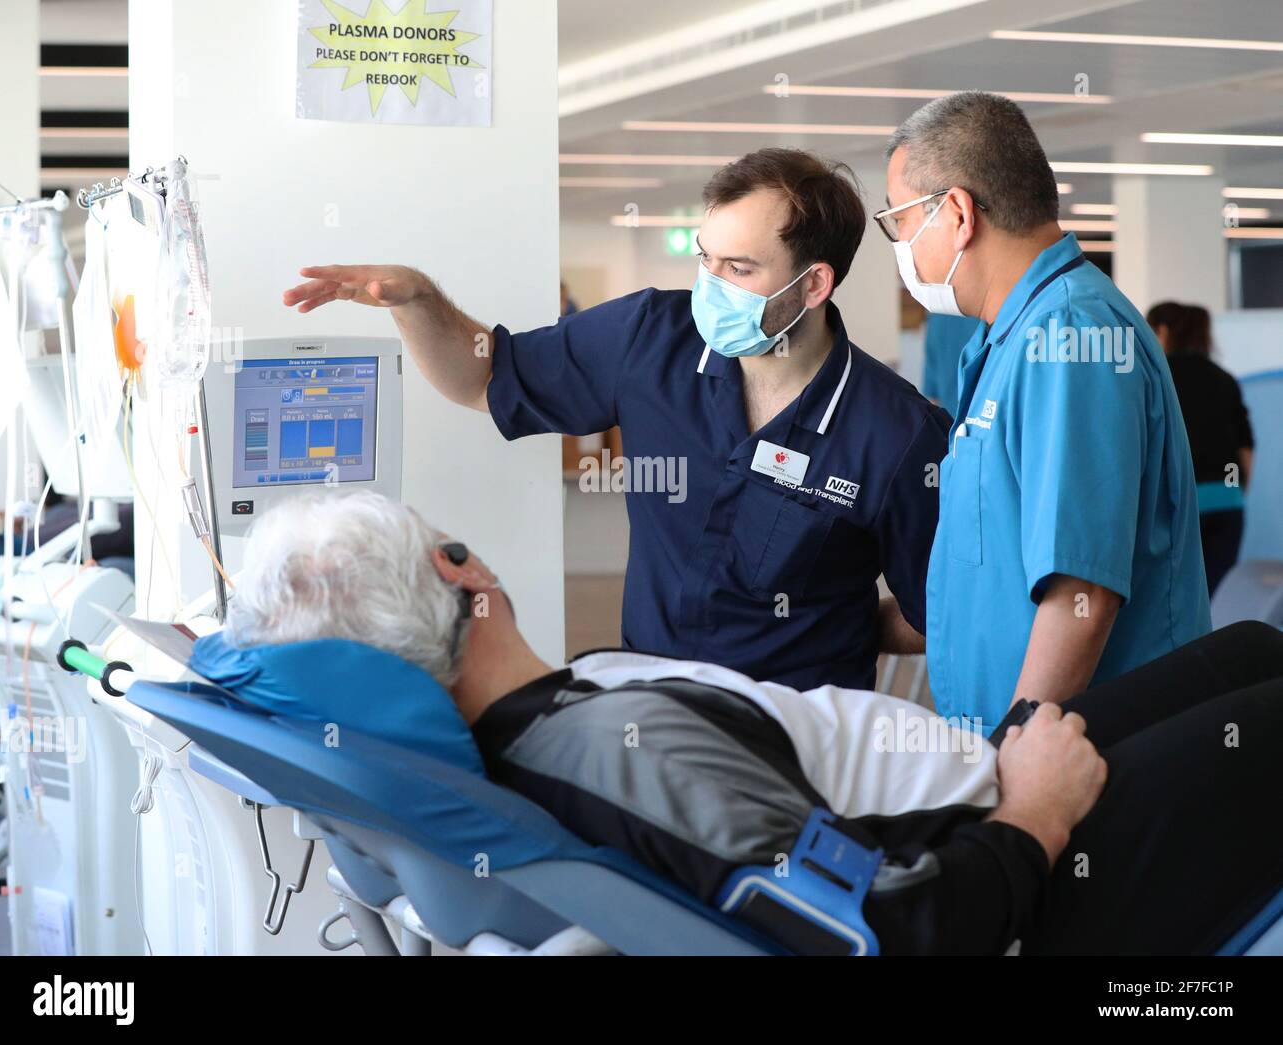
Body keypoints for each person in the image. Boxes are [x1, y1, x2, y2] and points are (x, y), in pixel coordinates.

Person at [218, 490, 1283, 956]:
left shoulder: (557, 722)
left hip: (963, 789)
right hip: (1012, 878)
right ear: (464, 575)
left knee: (1253, 653)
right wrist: (1037, 817)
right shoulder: (613, 754)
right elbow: (883, 926)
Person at [283, 149, 951, 692]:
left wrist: (832, 624)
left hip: (800, 748)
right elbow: (486, 378)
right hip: (650, 719)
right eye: (705, 259)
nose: (709, 287)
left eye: (739, 269)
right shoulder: (650, 338)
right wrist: (418, 300)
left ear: (812, 285)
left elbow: (938, 616)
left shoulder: (895, 435)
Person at [876, 92, 1210, 732]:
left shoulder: (1068, 335)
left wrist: (1014, 755)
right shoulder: (1009, 337)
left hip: (1088, 757)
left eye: (898, 220)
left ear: (956, 213)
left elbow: (1080, 594)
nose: (900, 246)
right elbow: (996, 583)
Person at [1147, 301, 1254, 597]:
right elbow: (1245, 450)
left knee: (1172, 600)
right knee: (1207, 598)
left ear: (1163, 331)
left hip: (1177, 503)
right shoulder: (1224, 378)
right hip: (1227, 503)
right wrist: (1233, 493)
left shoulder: (1157, 375)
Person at [921, 313, 981, 418]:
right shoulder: (988, 314)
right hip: (981, 419)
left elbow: (931, 397)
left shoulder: (936, 313)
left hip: (949, 422)